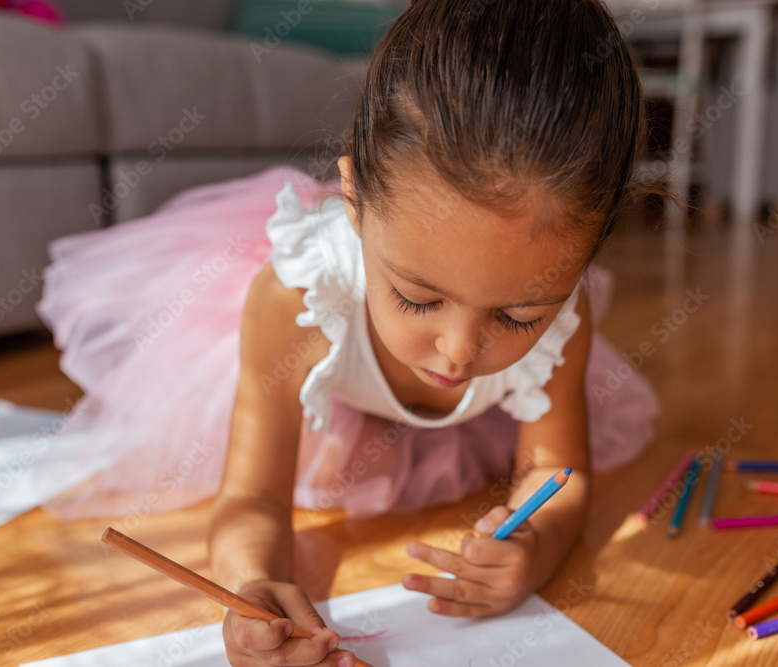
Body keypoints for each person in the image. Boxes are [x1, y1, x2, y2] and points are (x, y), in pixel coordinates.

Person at [35, 0, 661, 665]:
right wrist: (252, 588)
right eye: (418, 298)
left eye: (517, 317)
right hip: (317, 369)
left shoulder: (565, 314)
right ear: (354, 199)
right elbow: (251, 495)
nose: (457, 350)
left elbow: (557, 475)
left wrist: (535, 547)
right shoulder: (298, 298)